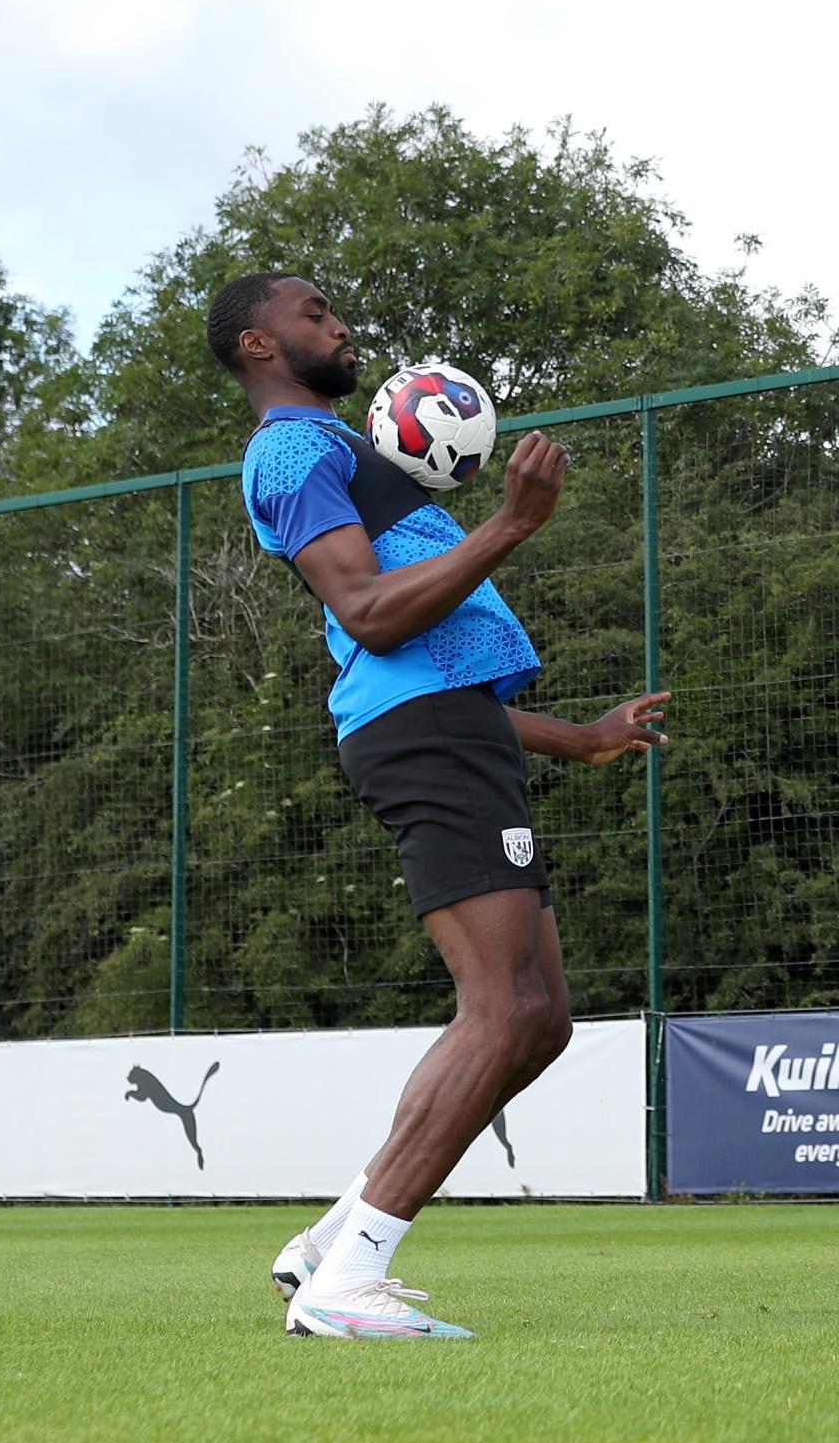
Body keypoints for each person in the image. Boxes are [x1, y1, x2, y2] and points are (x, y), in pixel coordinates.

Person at [207, 271, 670, 1340]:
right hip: (420, 738)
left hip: (446, 730)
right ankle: (348, 1282)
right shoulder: (291, 449)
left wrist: (583, 737)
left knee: (538, 1021)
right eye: (313, 313)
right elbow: (368, 618)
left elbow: (445, 684)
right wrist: (508, 524)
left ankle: (327, 1244)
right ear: (257, 345)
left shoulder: (342, 452)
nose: (338, 324)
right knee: (499, 1009)